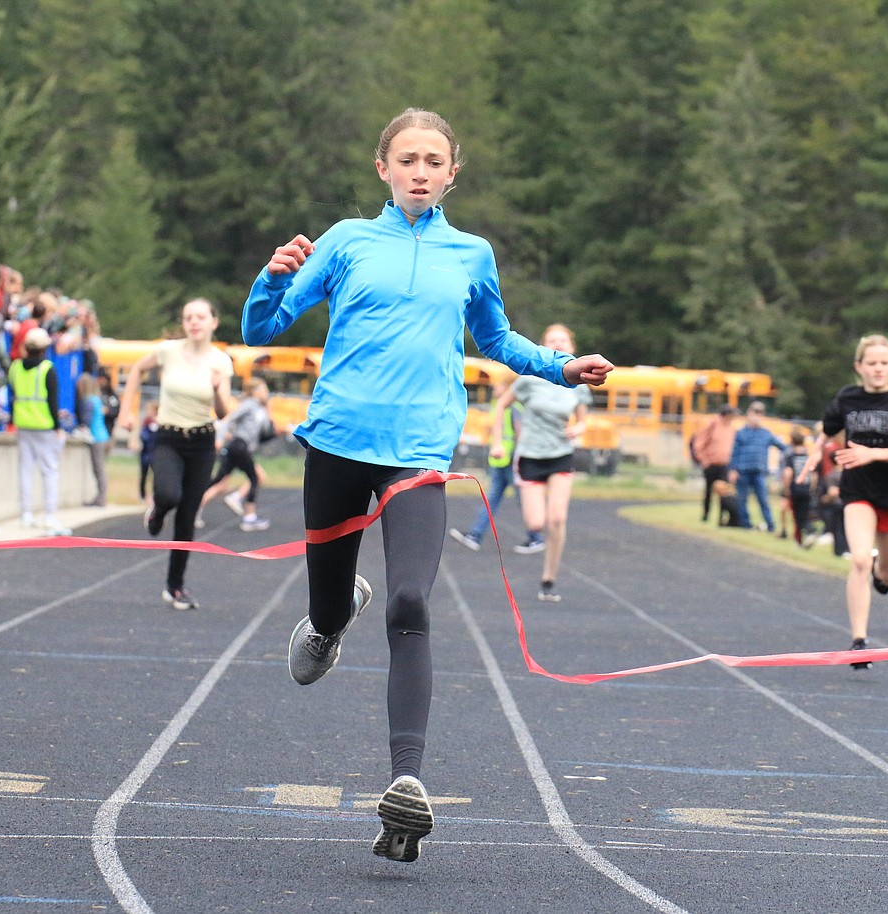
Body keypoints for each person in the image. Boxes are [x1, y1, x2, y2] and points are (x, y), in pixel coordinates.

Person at [241, 108, 614, 863]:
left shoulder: (471, 254)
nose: (419, 170)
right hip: (339, 442)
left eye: (432, 160)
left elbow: (498, 339)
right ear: (383, 168)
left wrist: (559, 366)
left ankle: (405, 784)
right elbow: (262, 329)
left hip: (419, 449)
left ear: (451, 173)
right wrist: (269, 275)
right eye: (406, 158)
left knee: (412, 600)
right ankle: (328, 614)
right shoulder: (346, 242)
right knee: (324, 611)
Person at [799, 334, 888, 669]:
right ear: (859, 367)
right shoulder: (848, 398)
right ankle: (859, 641)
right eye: (871, 363)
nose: (877, 369)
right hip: (858, 491)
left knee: (887, 575)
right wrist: (814, 455)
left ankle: (881, 577)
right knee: (859, 559)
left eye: (884, 363)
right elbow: (827, 429)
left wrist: (872, 453)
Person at [118, 299, 232, 611]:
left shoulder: (221, 361)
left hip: (202, 442)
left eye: (200, 317)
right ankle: (156, 511)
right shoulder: (169, 351)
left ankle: (175, 586)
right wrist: (126, 411)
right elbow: (137, 369)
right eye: (188, 318)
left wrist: (220, 388)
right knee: (169, 494)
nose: (194, 322)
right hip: (168, 436)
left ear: (213, 322)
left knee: (187, 517)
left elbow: (222, 413)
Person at [490, 323, 592, 602]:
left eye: (563, 340)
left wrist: (580, 429)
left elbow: (583, 420)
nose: (558, 344)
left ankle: (549, 579)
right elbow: (501, 405)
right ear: (543, 346)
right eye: (552, 340)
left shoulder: (577, 384)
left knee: (557, 519)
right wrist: (497, 442)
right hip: (530, 456)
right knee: (536, 523)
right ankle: (538, 538)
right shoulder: (528, 379)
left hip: (560, 454)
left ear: (572, 347)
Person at [448, 375, 528, 551]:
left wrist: (520, 458)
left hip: (511, 459)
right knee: (492, 498)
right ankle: (475, 535)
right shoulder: (496, 407)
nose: (493, 389)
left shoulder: (513, 408)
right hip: (500, 460)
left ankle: (536, 535)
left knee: (524, 499)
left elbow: (519, 433)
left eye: (497, 386)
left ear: (508, 389)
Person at [8, 327, 69, 534]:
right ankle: (49, 516)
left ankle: (26, 514)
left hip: (23, 424)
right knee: (50, 471)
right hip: (44, 426)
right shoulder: (47, 369)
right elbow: (53, 400)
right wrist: (58, 427)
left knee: (25, 470)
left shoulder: (15, 367)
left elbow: (12, 395)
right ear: (44, 348)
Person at [200, 377, 273, 532]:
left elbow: (266, 433)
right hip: (238, 445)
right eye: (264, 389)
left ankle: (194, 507)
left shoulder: (261, 409)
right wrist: (219, 439)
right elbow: (228, 419)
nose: (267, 393)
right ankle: (248, 516)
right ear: (255, 392)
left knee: (220, 481)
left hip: (242, 447)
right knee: (256, 477)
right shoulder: (248, 405)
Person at [728, 401, 786, 532]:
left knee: (763, 500)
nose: (757, 416)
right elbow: (735, 452)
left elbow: (782, 446)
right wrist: (733, 469)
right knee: (742, 500)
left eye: (759, 413)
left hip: (759, 471)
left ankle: (770, 525)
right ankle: (745, 524)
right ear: (749, 413)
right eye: (755, 412)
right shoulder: (741, 433)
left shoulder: (766, 433)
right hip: (743, 471)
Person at [691, 405, 738, 524]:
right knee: (708, 491)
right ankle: (705, 515)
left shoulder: (731, 428)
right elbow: (699, 442)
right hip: (711, 464)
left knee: (724, 492)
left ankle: (721, 518)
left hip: (724, 465)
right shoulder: (713, 425)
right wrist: (703, 459)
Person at [75, 372, 110, 507]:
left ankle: (101, 497)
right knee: (100, 468)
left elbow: (86, 422)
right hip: (103, 435)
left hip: (96, 438)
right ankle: (101, 496)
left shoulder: (87, 401)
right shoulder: (96, 399)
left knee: (98, 468)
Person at [780, 429, 813, 545]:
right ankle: (807, 533)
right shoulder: (807, 456)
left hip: (796, 488)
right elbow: (813, 474)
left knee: (796, 515)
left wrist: (786, 488)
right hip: (806, 488)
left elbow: (788, 473)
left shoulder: (791, 457)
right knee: (805, 512)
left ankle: (799, 538)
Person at [137, 400, 159, 501]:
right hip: (146, 452)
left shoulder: (159, 423)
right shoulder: (146, 422)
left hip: (156, 453)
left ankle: (156, 493)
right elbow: (143, 436)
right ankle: (142, 494)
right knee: (144, 474)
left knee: (156, 475)